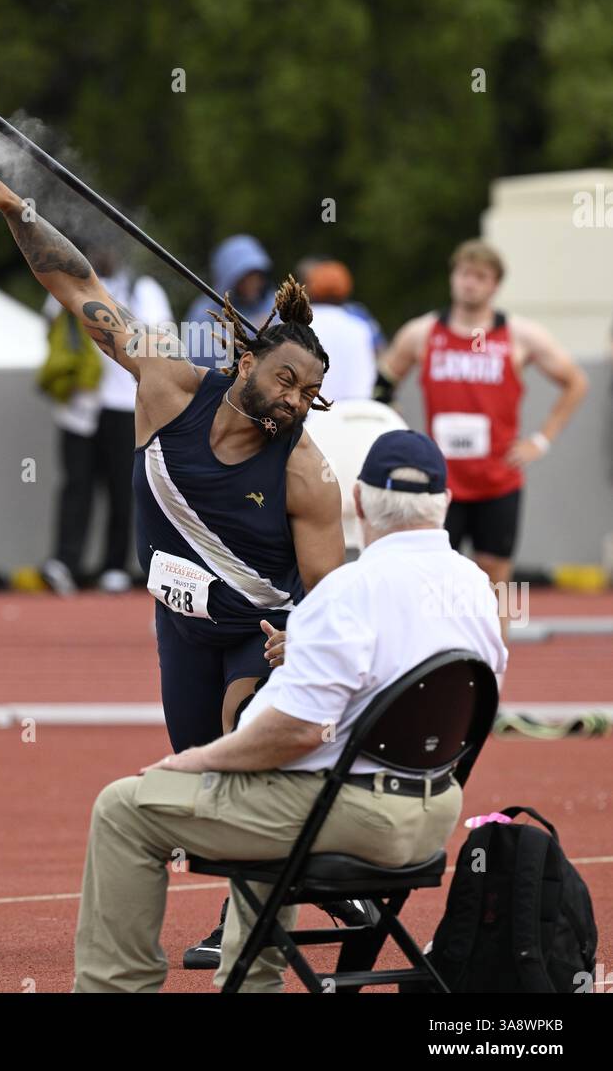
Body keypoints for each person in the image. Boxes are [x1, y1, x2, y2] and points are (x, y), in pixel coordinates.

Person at [0, 163, 345, 966]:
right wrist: (18, 208)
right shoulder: (166, 383)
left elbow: (332, 594)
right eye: (287, 379)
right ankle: (263, 895)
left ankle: (252, 925)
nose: (295, 401)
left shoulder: (306, 471)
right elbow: (78, 284)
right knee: (200, 777)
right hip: (178, 626)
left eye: (309, 393)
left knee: (242, 757)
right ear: (248, 360)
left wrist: (300, 636)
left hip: (254, 633)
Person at [71, 429, 508, 992]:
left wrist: (197, 760)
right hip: (431, 818)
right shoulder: (476, 588)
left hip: (346, 815)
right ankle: (250, 985)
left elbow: (294, 730)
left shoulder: (348, 590)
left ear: (357, 500)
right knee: (268, 783)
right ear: (445, 503)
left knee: (122, 809)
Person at [376, 240, 588, 625]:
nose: (469, 284)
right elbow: (381, 383)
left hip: (498, 480)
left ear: (495, 286)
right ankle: (436, 666)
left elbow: (575, 382)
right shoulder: (423, 333)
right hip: (442, 483)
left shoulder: (521, 335)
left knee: (495, 580)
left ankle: (494, 669)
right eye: (463, 274)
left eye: (480, 277)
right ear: (452, 277)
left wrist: (541, 440)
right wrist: (401, 433)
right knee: (435, 578)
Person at [41, 243, 173, 595]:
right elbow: (50, 326)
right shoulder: (68, 282)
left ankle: (114, 564)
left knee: (121, 486)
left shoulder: (143, 290)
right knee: (75, 485)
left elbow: (163, 339)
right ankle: (65, 562)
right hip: (78, 404)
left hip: (124, 404)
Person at [184, 235, 274, 370]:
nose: (254, 283)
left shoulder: (275, 304)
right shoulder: (205, 310)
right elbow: (193, 357)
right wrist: (250, 335)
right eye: (246, 278)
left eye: (257, 276)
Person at [305, 261, 378, 401]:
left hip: (310, 415)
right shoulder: (360, 327)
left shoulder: (296, 324)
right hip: (357, 414)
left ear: (310, 290)